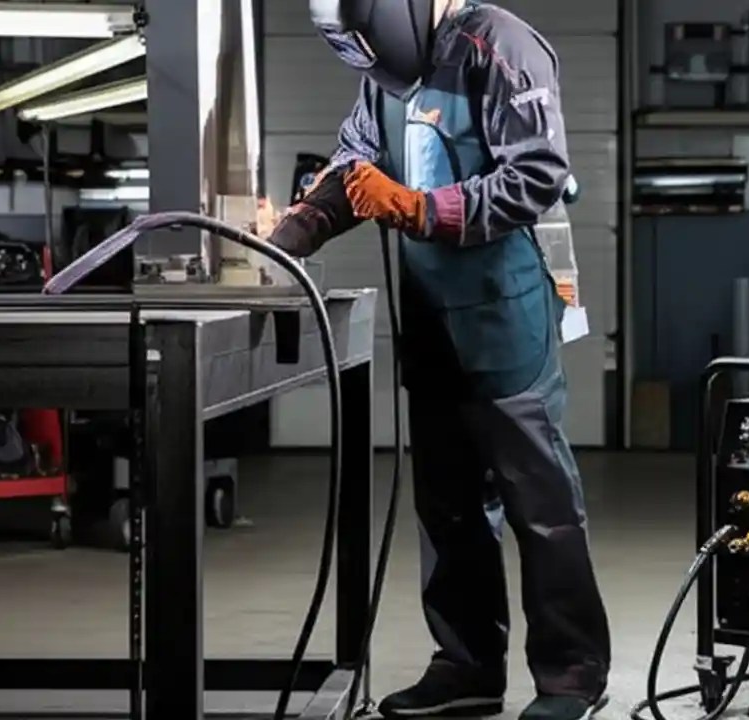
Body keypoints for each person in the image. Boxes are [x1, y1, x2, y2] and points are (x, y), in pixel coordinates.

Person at [269, 2, 611, 719]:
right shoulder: (384, 72)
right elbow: (355, 163)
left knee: (540, 505)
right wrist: (295, 231)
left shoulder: (503, 47)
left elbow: (537, 174)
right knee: (447, 506)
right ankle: (467, 667)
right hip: (429, 316)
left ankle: (572, 675)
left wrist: (422, 211)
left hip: (501, 314)